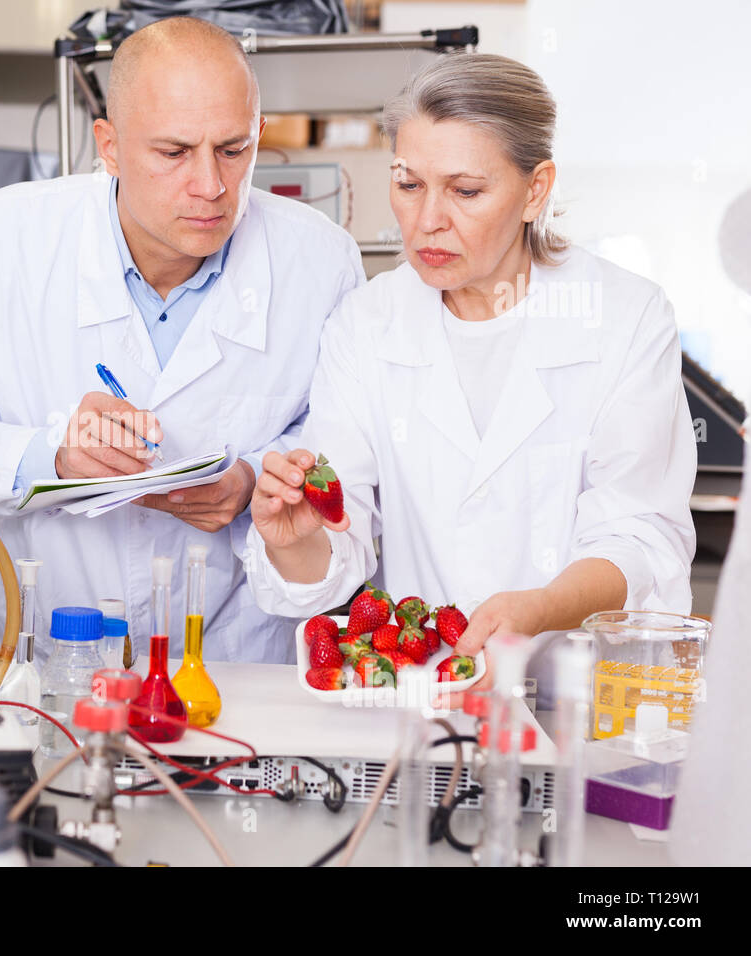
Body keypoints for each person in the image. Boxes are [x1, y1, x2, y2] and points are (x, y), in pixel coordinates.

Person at [0, 17, 364, 663]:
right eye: (173, 153)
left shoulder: (323, 260)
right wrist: (55, 457)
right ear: (109, 146)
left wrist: (251, 481)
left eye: (233, 150)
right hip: (56, 662)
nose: (211, 186)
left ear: (259, 135)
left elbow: (346, 448)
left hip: (242, 665)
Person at [246, 53, 697, 673]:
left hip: (580, 697)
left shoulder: (624, 316)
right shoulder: (367, 324)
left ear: (535, 190)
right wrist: (299, 542)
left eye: (466, 191)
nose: (428, 221)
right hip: (428, 696)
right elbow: (335, 543)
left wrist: (539, 607)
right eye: (409, 186)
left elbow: (640, 536)